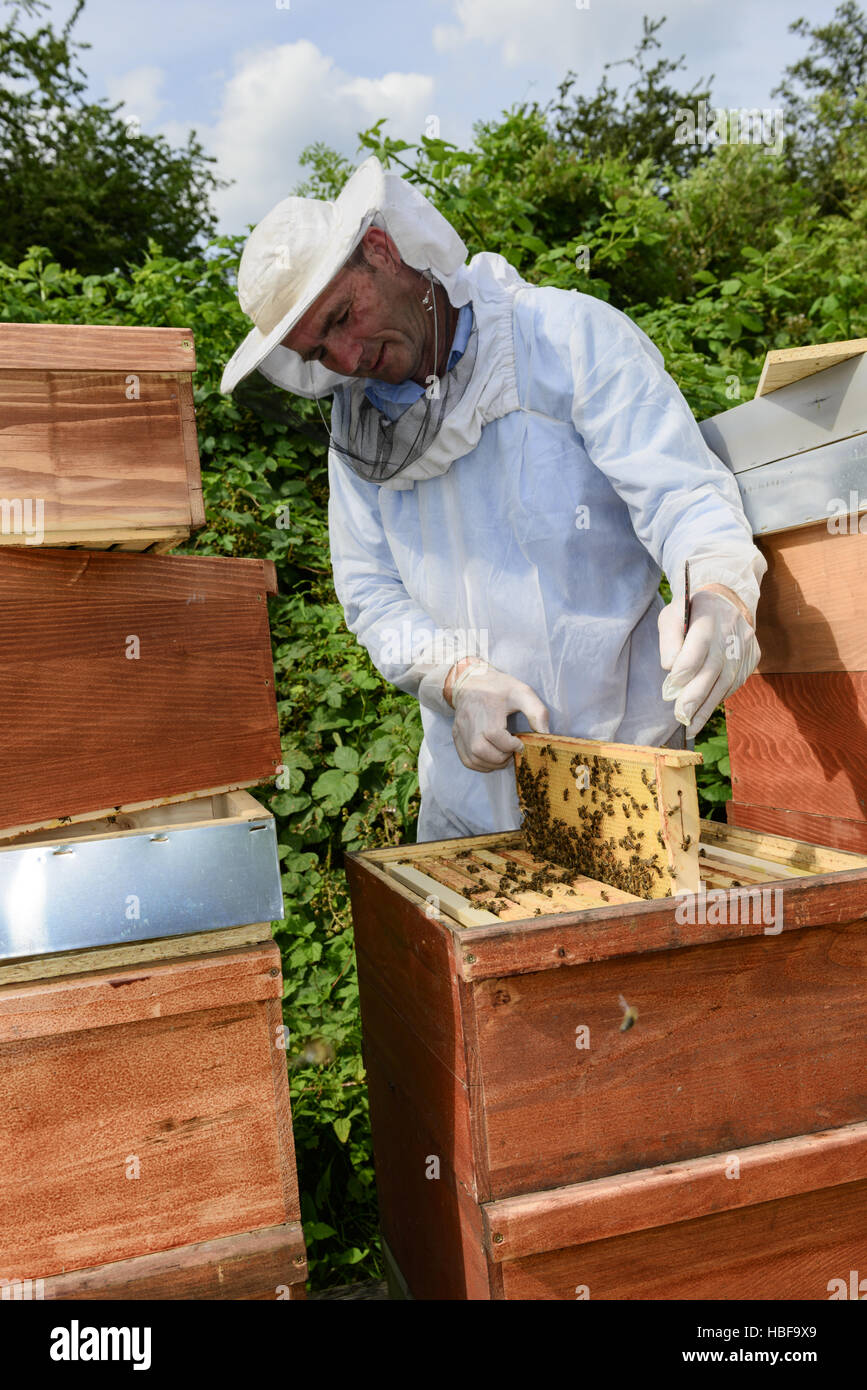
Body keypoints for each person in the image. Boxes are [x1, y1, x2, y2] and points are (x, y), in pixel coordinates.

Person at [221, 156, 766, 841]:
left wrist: (718, 592)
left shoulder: (566, 338)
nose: (348, 355)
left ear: (383, 252)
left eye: (342, 316)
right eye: (319, 349)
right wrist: (456, 678)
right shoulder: (356, 436)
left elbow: (682, 495)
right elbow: (369, 592)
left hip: (628, 779)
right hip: (467, 805)